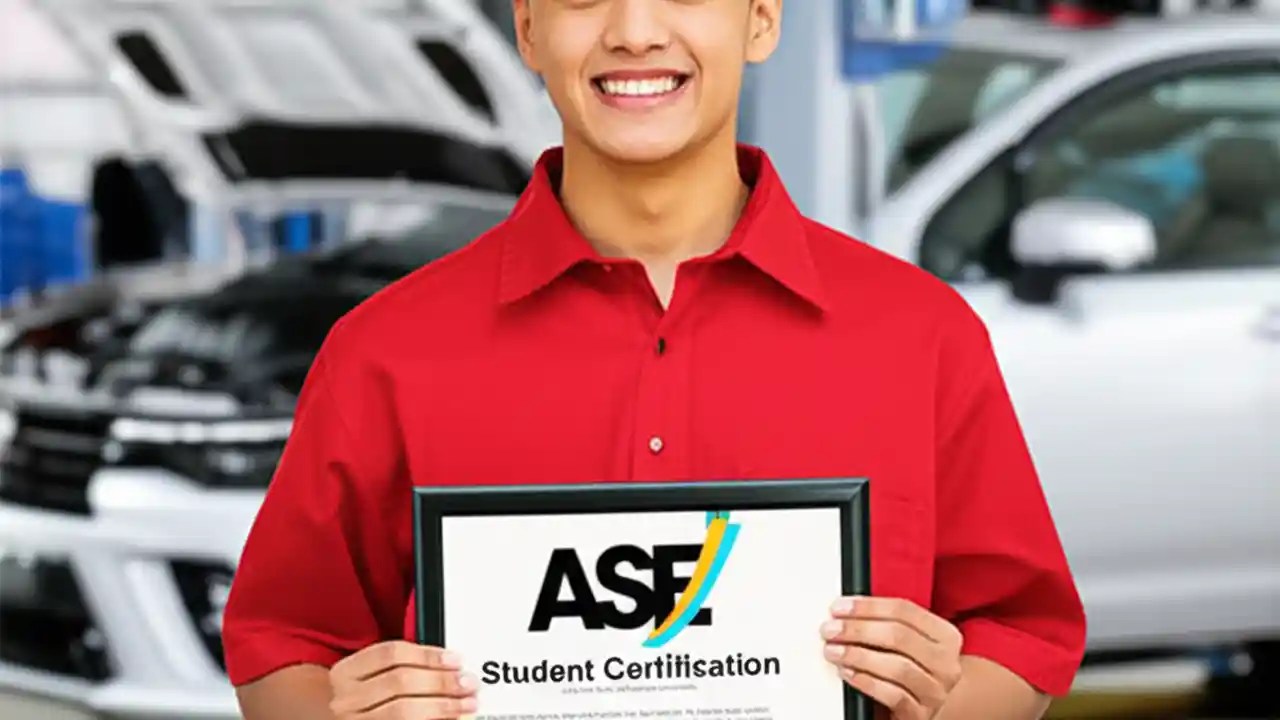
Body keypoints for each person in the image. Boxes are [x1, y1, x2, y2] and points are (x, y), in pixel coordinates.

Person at [223, 1, 1087, 719]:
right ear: (527, 29)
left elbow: (1022, 638)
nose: (635, 30)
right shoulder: (386, 350)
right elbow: (283, 648)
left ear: (759, 20)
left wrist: (947, 700)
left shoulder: (920, 334)